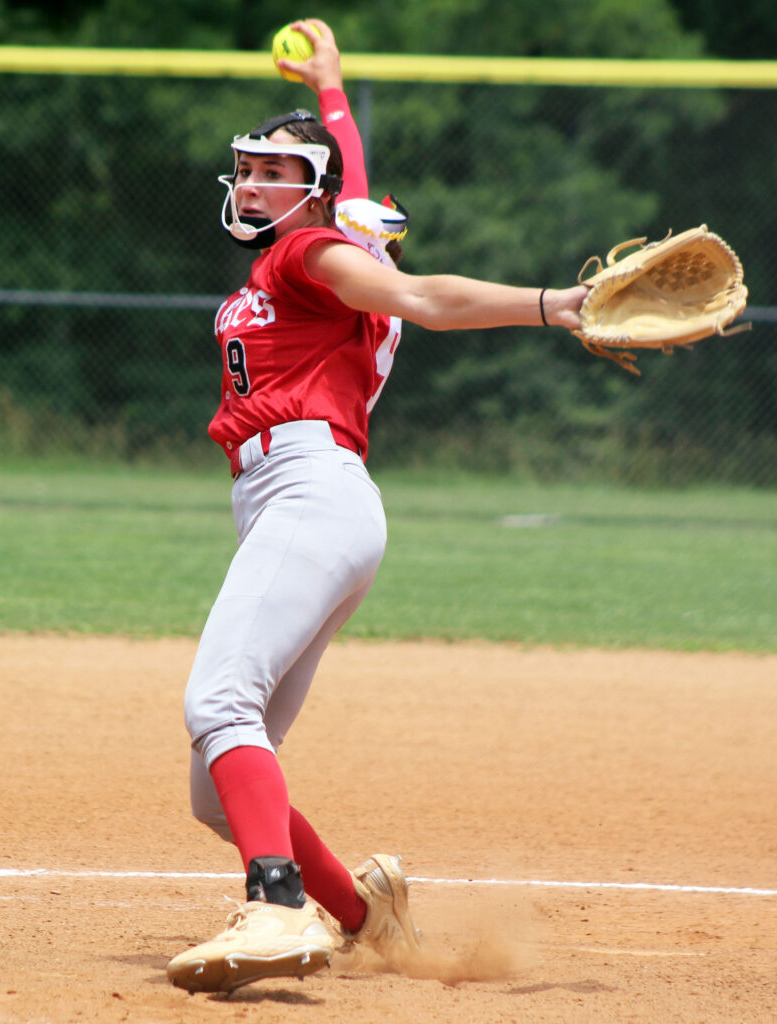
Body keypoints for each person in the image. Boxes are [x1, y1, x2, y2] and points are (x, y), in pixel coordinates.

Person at [167, 21, 588, 994]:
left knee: (214, 702)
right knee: (216, 785)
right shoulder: (319, 249)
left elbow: (427, 294)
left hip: (312, 492)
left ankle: (274, 904)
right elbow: (346, 175)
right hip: (295, 507)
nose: (256, 182)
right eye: (250, 168)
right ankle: (365, 916)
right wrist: (330, 86)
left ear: (319, 204)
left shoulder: (314, 256)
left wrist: (549, 302)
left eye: (276, 172)